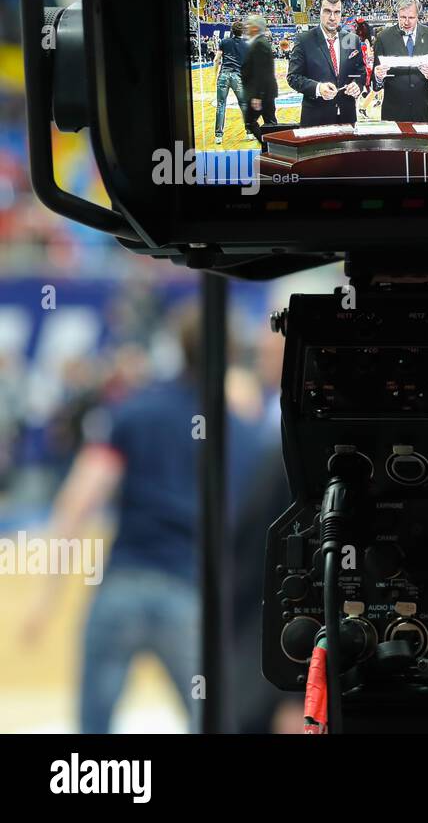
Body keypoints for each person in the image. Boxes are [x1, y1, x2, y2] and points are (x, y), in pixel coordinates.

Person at [20, 302, 263, 733]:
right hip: (193, 597)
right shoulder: (241, 434)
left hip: (123, 586)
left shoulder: (136, 411)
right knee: (213, 721)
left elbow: (78, 502)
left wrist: (45, 599)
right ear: (231, 354)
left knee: (92, 733)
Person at [288, 0, 364, 127]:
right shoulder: (304, 40)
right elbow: (293, 77)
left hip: (347, 117)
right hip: (316, 118)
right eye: (327, 11)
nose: (332, 17)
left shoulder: (352, 39)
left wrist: (357, 84)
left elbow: (360, 71)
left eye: (337, 12)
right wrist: (318, 88)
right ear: (319, 12)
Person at [373, 0, 428, 122]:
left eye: (411, 17)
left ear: (418, 16)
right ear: (396, 14)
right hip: (393, 115)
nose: (406, 22)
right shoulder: (383, 38)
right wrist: (378, 77)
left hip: (425, 114)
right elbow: (375, 84)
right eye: (402, 17)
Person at [211, 23, 251, 145]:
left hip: (223, 75)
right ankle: (249, 133)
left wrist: (215, 75)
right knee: (244, 104)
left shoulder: (224, 41)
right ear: (242, 31)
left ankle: (218, 136)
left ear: (232, 31)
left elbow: (217, 59)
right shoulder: (247, 44)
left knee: (221, 105)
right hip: (238, 77)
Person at [241, 14, 278, 140]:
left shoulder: (259, 44)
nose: (246, 26)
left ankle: (268, 147)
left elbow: (261, 72)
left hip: (261, 94)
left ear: (255, 28)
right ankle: (272, 148)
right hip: (265, 93)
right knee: (270, 123)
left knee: (251, 121)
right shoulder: (259, 42)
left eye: (249, 24)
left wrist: (257, 96)